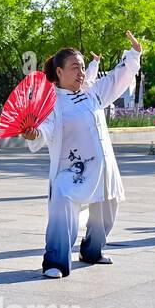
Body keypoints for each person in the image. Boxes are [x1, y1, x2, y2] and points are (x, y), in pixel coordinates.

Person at [22, 33, 143, 278]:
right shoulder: (52, 101)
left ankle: (91, 250)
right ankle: (55, 261)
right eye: (75, 67)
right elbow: (44, 128)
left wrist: (133, 55)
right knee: (62, 201)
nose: (81, 72)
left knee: (106, 211)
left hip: (102, 167)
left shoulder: (92, 92)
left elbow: (115, 79)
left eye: (82, 67)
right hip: (73, 169)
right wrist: (34, 134)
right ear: (59, 72)